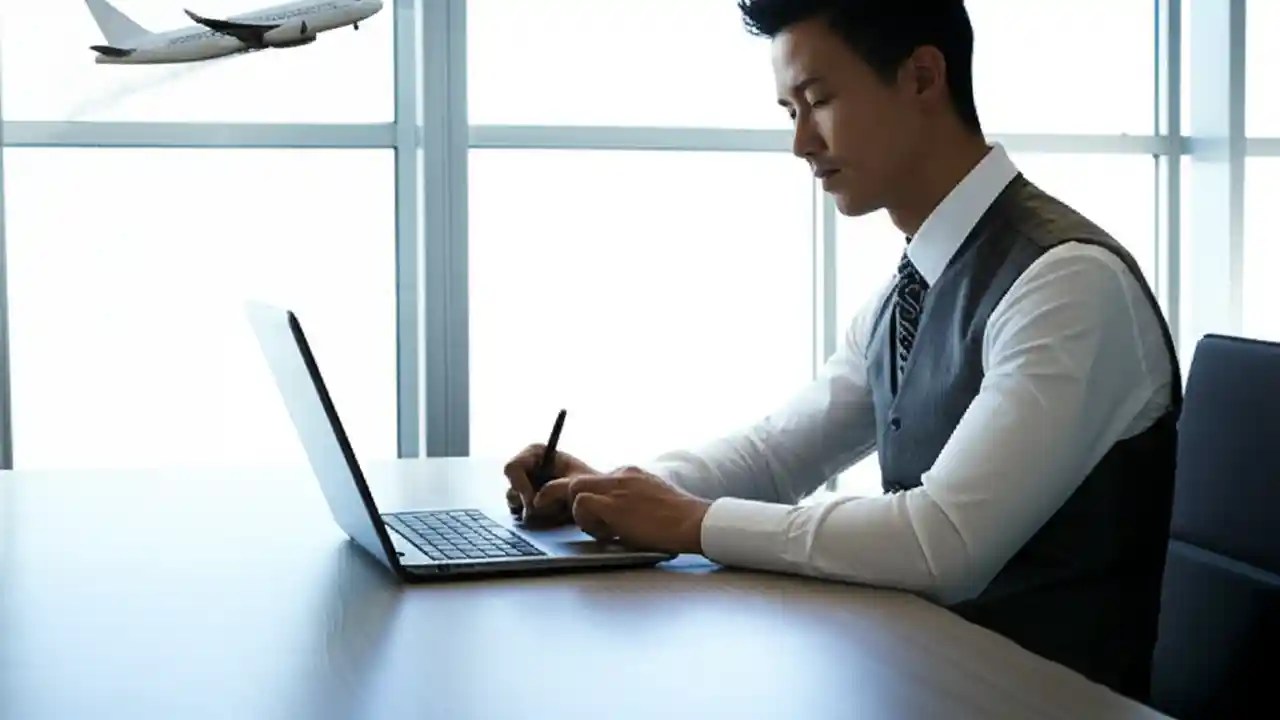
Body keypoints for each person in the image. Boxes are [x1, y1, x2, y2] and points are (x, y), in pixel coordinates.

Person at [502, 0, 1180, 703]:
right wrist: (613, 492)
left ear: (921, 77)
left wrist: (689, 522)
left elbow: (939, 543)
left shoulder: (1068, 283)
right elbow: (778, 455)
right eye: (788, 111)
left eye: (818, 101)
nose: (800, 143)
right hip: (924, 680)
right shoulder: (916, 284)